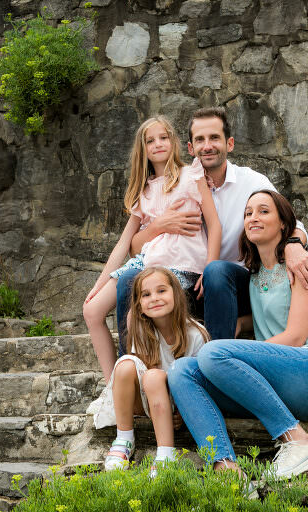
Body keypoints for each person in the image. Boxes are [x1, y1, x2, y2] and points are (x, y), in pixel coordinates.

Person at [168, 190, 308, 480]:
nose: (253, 217)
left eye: (263, 211)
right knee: (182, 371)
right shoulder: (255, 277)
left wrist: (233, 355)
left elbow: (294, 337)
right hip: (278, 383)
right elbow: (260, 319)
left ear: (283, 224)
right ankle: (227, 471)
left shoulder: (303, 265)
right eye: (248, 213)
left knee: (214, 354)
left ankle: (298, 441)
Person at [115, 107, 308, 352]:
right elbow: (137, 248)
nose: (207, 146)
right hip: (190, 282)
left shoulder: (251, 182)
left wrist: (293, 246)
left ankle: (216, 363)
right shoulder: (177, 183)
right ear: (190, 149)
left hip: (239, 285)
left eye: (214, 138)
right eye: (200, 140)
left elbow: (293, 225)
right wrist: (159, 225)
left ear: (229, 144)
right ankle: (128, 368)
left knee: (216, 270)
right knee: (130, 280)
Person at [82, 116, 221, 381]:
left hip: (181, 265)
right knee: (91, 310)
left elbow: (214, 225)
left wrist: (210, 268)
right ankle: (115, 383)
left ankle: (134, 376)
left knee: (133, 297)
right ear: (142, 149)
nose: (158, 144)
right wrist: (97, 286)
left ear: (174, 141)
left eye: (163, 137)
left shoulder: (191, 174)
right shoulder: (143, 189)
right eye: (150, 140)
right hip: (149, 262)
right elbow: (125, 245)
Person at [90, 267, 210, 475]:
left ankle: (166, 454)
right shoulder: (142, 331)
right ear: (139, 305)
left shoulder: (196, 334)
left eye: (161, 291)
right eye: (146, 295)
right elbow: (144, 375)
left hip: (184, 402)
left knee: (154, 376)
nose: (154, 298)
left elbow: (202, 383)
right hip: (150, 399)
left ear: (177, 294)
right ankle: (124, 440)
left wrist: (182, 411)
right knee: (126, 364)